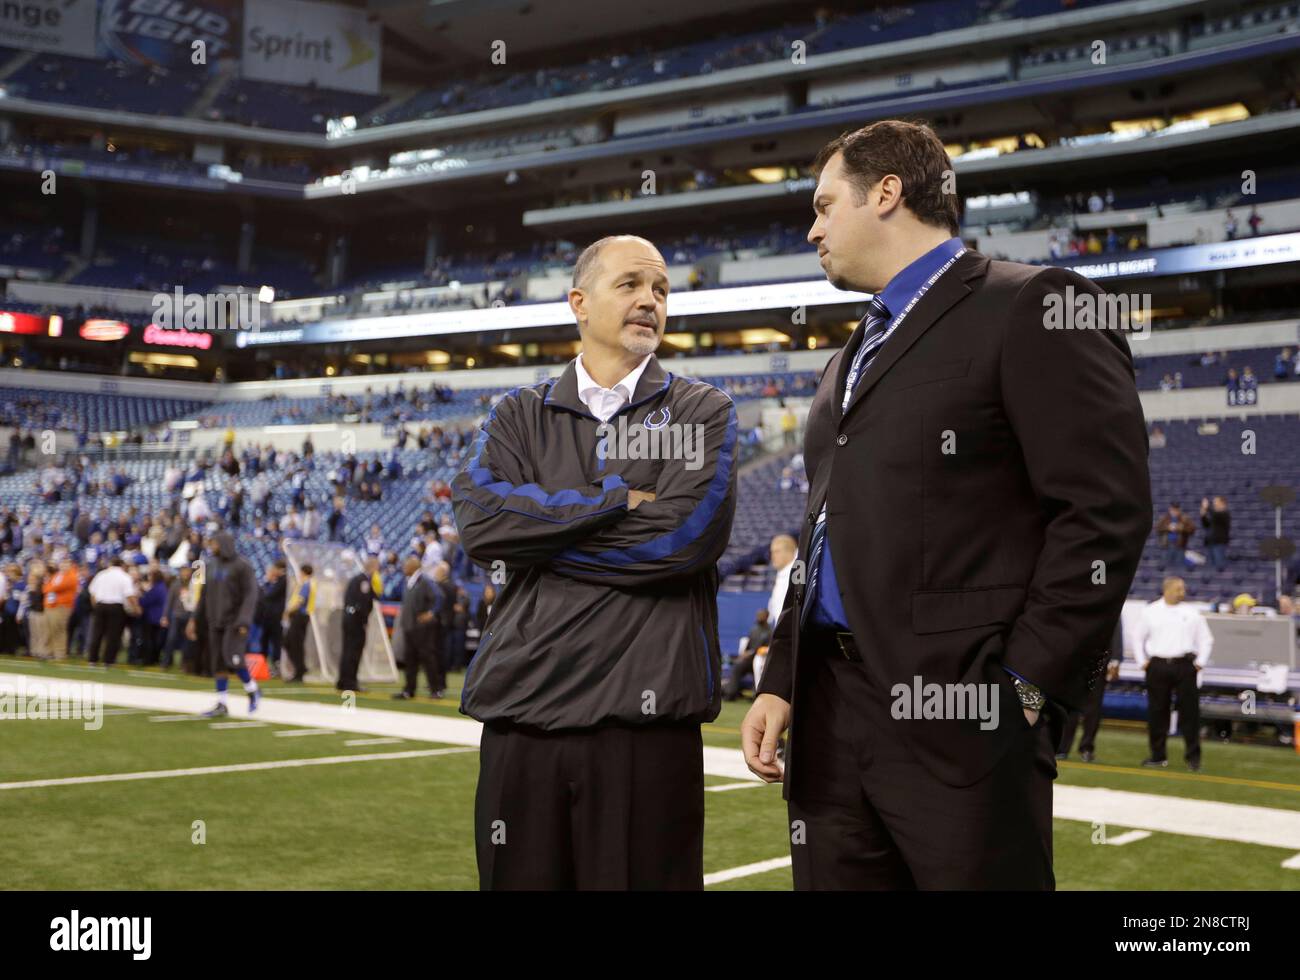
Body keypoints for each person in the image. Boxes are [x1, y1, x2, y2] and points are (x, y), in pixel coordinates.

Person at [741, 120, 1151, 890]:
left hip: (961, 712)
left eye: (827, 206)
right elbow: (821, 529)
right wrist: (781, 677)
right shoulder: (848, 357)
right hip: (829, 719)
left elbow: (1105, 513)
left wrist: (1025, 688)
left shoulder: (1034, 302)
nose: (814, 227)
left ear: (887, 193)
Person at [453, 233, 737, 890]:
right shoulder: (518, 413)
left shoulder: (700, 409)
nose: (651, 301)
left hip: (642, 729)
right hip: (522, 719)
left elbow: (682, 540)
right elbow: (482, 525)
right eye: (632, 284)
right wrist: (618, 499)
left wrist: (542, 539)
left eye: (661, 290)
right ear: (579, 303)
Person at [1132, 576, 1212, 771]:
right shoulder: (1150, 612)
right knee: (1157, 712)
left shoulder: (1191, 613)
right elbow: (1137, 637)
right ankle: (1158, 756)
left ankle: (1193, 759)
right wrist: (1142, 662)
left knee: (1190, 713)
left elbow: (1206, 639)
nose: (1182, 592)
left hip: (1185, 665)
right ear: (1167, 589)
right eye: (1178, 589)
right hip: (1158, 665)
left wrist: (1200, 663)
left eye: (1183, 589)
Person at [191, 531, 261, 718]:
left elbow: (251, 595)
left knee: (234, 659)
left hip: (235, 622)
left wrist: (244, 620)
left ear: (224, 544)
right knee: (218, 663)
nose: (211, 547)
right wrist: (194, 620)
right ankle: (222, 704)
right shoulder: (210, 565)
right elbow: (204, 596)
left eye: (214, 543)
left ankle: (253, 691)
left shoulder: (242, 566)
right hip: (215, 621)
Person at [1058, 616, 1121, 762]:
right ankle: (1062, 747)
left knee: (1093, 706)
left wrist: (1115, 660)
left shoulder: (1108, 597)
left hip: (1098, 658)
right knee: (1068, 704)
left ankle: (1086, 747)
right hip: (1072, 657)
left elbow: (1116, 629)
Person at [392, 555, 444, 700]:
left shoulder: (425, 581)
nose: (403, 567)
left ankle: (436, 689)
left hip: (422, 628)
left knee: (428, 658)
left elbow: (439, 597)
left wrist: (431, 613)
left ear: (413, 567)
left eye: (406, 565)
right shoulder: (409, 581)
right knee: (410, 660)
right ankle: (409, 690)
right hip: (409, 626)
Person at [338, 556, 381, 693]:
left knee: (347, 650)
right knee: (353, 651)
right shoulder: (363, 581)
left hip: (349, 618)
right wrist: (363, 621)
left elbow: (375, 596)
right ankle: (350, 682)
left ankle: (343, 680)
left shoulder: (358, 579)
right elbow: (363, 603)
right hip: (356, 621)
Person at [86, 558, 136, 666]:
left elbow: (92, 593)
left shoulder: (101, 575)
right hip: (116, 607)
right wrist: (136, 608)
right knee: (113, 635)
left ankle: (92, 659)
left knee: (97, 634)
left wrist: (96, 606)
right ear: (121, 565)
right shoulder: (124, 576)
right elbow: (129, 595)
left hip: (100, 605)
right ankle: (108, 661)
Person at [282, 563, 316, 683]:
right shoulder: (310, 583)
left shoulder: (306, 584)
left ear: (303, 572)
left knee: (292, 643)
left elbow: (300, 601)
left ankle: (299, 670)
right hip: (302, 617)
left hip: (300, 616)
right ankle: (300, 668)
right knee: (293, 643)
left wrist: (288, 611)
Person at [43, 558, 79, 660]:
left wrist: (49, 587)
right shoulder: (58, 575)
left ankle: (60, 653)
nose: (63, 566)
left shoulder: (72, 575)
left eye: (66, 563)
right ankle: (50, 651)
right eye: (62, 563)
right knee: (51, 629)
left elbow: (57, 587)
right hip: (51, 604)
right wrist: (49, 587)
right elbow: (46, 587)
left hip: (63, 605)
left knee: (59, 629)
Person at [257, 560, 288, 677]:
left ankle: (277, 668)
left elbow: (268, 596)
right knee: (264, 641)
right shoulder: (276, 582)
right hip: (268, 617)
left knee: (276, 643)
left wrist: (268, 582)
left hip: (276, 618)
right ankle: (263, 666)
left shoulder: (283, 581)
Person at [1155, 502, 1195, 570]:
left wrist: (1181, 528)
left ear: (1179, 510)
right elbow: (1158, 527)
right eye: (1172, 509)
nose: (1174, 511)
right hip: (1167, 545)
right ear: (1170, 509)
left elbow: (1192, 529)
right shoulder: (1165, 518)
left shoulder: (1184, 518)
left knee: (1179, 566)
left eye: (1176, 509)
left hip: (1180, 545)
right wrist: (1168, 528)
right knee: (1166, 566)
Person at [1200, 496, 1231, 571]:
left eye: (1216, 501)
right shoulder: (1215, 515)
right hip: (1210, 542)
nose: (1214, 503)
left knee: (1219, 565)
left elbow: (1216, 514)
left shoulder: (1225, 513)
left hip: (1219, 543)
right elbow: (1206, 525)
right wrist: (1203, 516)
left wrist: (1207, 507)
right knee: (1210, 566)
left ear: (1222, 503)